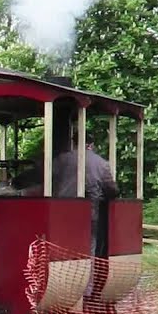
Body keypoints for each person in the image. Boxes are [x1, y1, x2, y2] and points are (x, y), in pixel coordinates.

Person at [50, 109, 118, 254]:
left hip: (60, 209)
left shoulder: (60, 160)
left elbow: (47, 179)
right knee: (89, 245)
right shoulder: (101, 164)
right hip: (89, 210)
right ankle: (89, 275)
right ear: (91, 144)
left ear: (73, 142)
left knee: (62, 244)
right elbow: (111, 189)